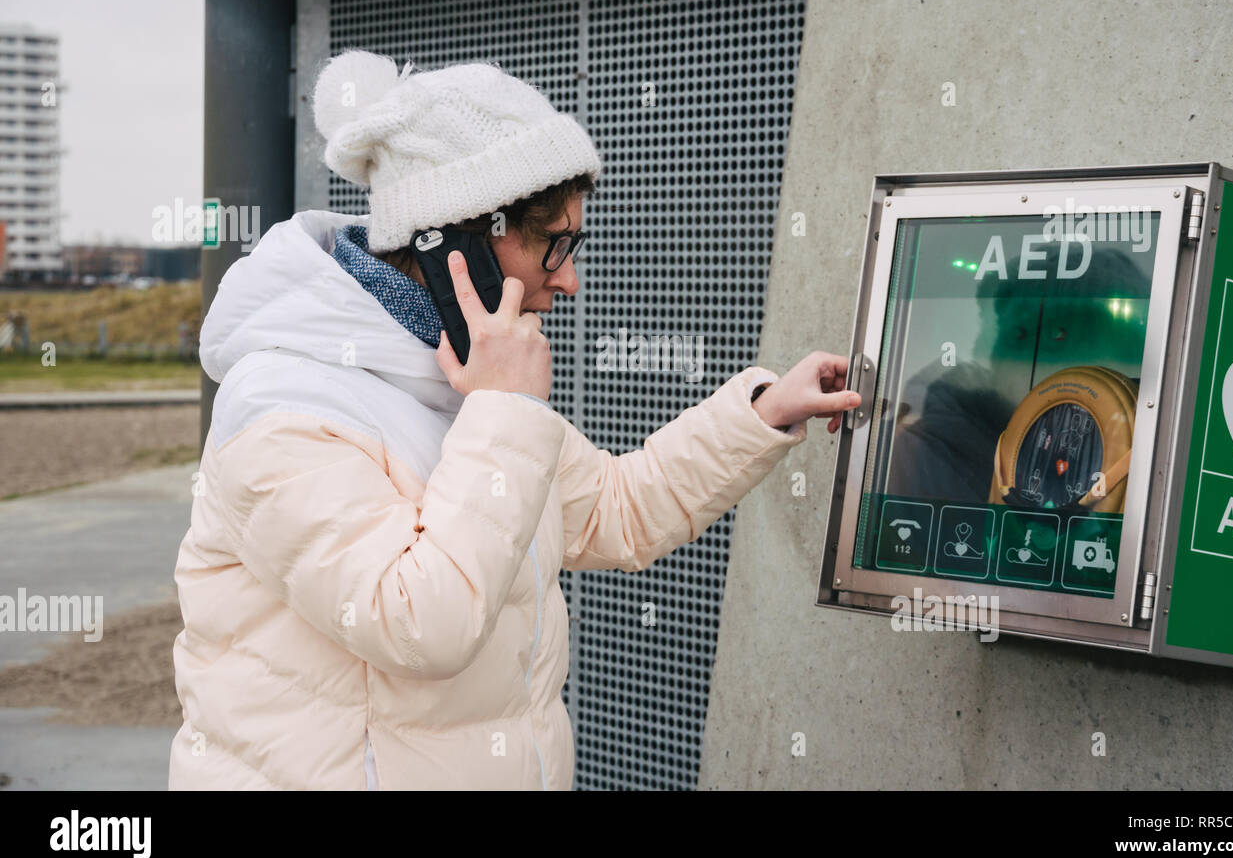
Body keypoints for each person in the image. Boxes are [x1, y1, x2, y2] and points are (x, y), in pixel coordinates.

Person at [168, 50, 859, 790]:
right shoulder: (283, 407)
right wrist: (505, 409)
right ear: (452, 242)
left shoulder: (463, 383)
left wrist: (763, 412)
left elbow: (615, 512)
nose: (569, 278)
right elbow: (418, 622)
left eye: (575, 244)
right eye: (553, 245)